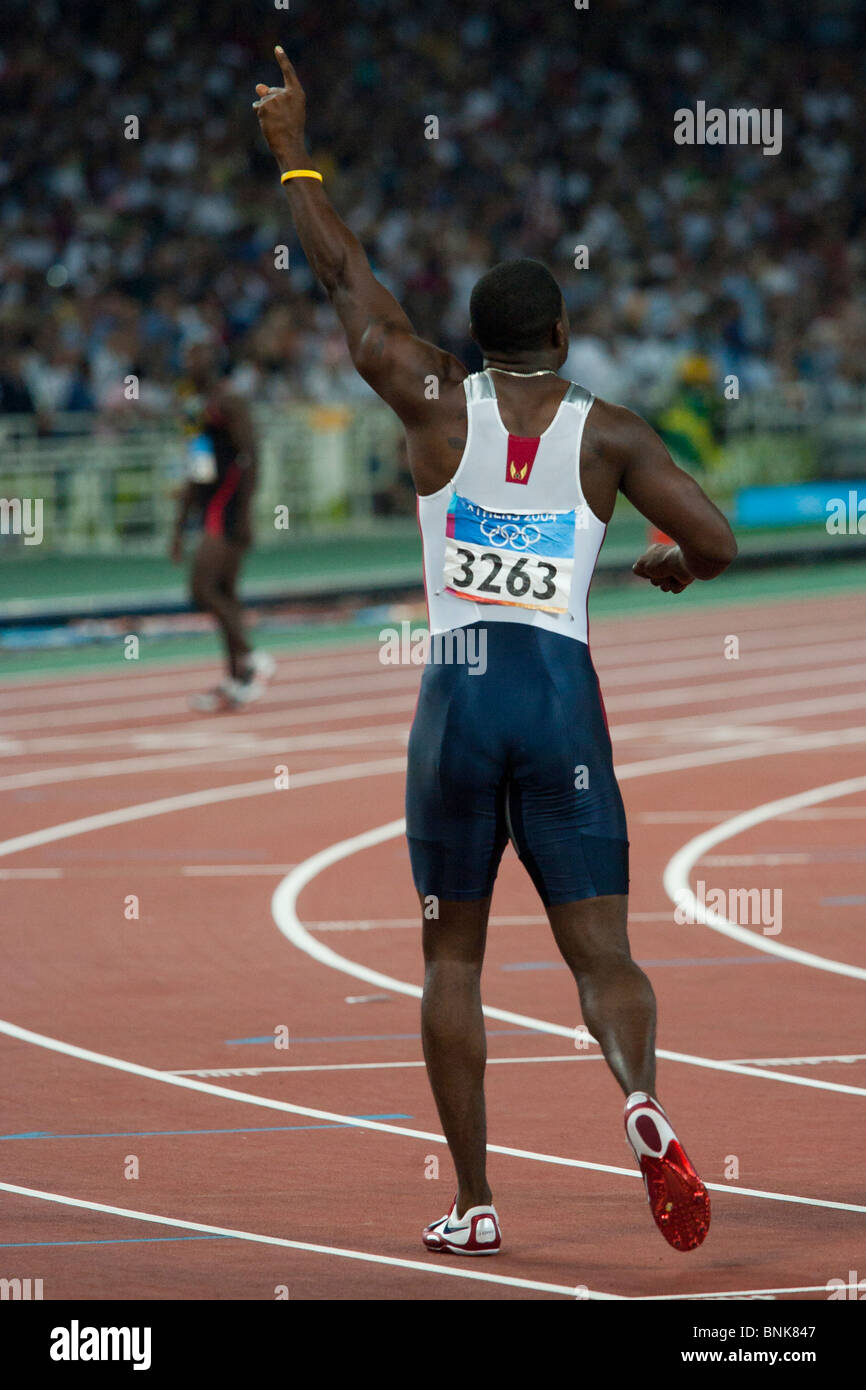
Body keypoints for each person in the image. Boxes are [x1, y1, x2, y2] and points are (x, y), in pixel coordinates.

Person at [255, 48, 737, 1256]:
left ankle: (473, 1202)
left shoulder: (427, 394)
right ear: (561, 334)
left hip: (457, 700)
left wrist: (291, 150)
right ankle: (635, 1093)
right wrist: (675, 563)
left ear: (471, 341)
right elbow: (717, 537)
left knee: (450, 960)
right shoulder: (609, 432)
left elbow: (342, 275)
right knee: (604, 952)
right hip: (560, 696)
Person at [170, 341, 274, 710]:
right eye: (187, 356)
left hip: (229, 505)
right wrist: (179, 527)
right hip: (211, 504)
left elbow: (252, 456)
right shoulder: (192, 409)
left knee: (202, 589)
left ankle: (250, 655)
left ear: (214, 362)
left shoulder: (229, 401)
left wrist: (244, 511)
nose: (190, 362)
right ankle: (237, 679)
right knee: (224, 593)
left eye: (198, 355)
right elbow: (194, 468)